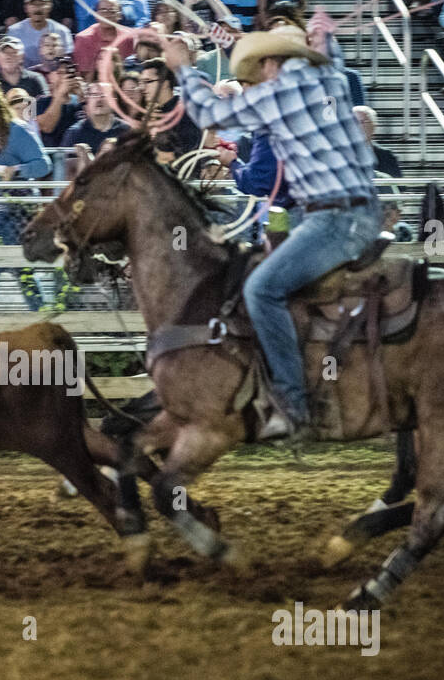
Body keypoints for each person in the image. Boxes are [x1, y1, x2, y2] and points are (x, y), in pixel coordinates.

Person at [158, 22, 382, 438]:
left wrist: (185, 68)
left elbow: (210, 114)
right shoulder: (327, 79)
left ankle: (292, 402)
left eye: (258, 65)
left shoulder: (280, 96)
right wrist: (320, 40)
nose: (254, 76)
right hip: (355, 212)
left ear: (273, 64)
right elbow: (331, 64)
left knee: (261, 289)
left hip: (334, 220)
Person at [0, 81, 51, 312]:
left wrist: (17, 171)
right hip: (0, 205)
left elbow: (44, 164)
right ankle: (44, 317)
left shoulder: (18, 131)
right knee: (20, 270)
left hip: (17, 207)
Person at [139, 58, 203, 155]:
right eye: (141, 83)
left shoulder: (185, 113)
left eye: (148, 81)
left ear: (164, 84)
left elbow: (188, 151)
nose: (142, 88)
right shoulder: (154, 113)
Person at [352, 106, 401, 177]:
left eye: (363, 122)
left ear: (374, 125)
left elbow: (399, 186)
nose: (358, 126)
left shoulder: (387, 156)